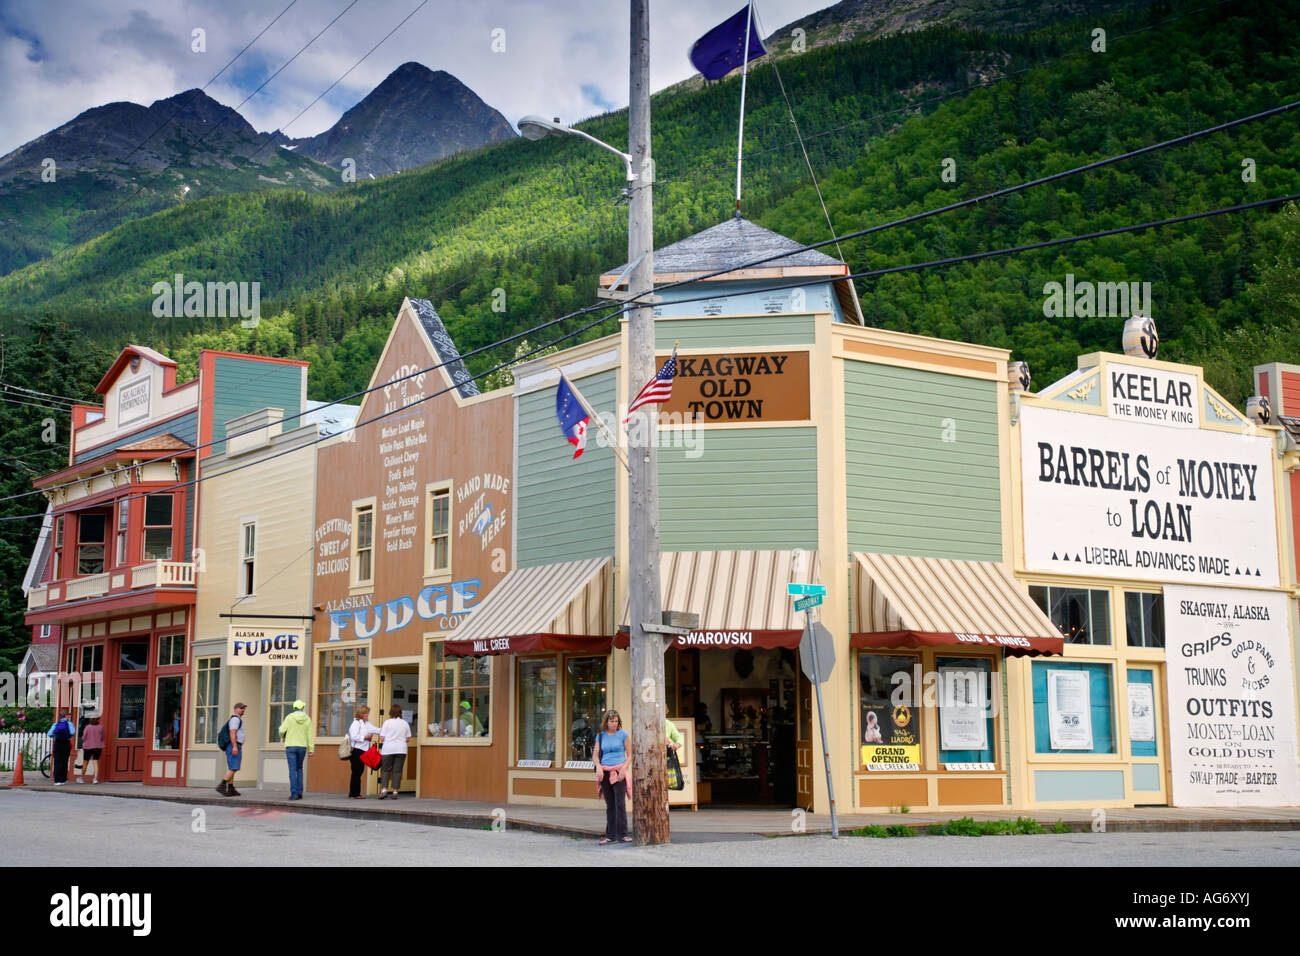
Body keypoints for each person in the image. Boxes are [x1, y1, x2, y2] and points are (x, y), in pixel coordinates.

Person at [592, 709, 632, 845]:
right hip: (605, 772)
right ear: (606, 722)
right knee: (610, 804)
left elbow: (630, 755)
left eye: (616, 721)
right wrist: (598, 766)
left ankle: (623, 834)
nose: (614, 724)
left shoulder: (623, 735)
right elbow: (595, 755)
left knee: (620, 803)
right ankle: (610, 835)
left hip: (619, 771)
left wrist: (624, 769)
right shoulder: (600, 736)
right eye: (611, 721)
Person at [278, 699, 315, 801]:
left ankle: (294, 794)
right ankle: (299, 792)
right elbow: (309, 735)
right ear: (302, 707)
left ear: (294, 708)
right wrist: (311, 749)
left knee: (292, 769)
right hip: (302, 747)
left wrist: (283, 735)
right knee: (299, 768)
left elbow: (281, 730)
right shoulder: (307, 719)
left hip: (290, 746)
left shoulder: (289, 717)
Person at [377, 704, 413, 800]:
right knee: (397, 771)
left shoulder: (387, 722)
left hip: (388, 749)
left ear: (390, 712)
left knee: (385, 770)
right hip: (401, 749)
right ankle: (395, 791)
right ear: (400, 713)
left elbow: (381, 737)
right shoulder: (405, 723)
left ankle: (384, 790)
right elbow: (408, 738)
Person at [347, 705, 380, 799]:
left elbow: (376, 730)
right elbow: (354, 736)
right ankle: (354, 793)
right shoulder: (356, 723)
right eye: (366, 713)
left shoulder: (366, 723)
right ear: (362, 714)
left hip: (363, 750)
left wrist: (386, 730)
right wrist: (365, 737)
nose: (367, 715)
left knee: (359, 771)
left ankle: (355, 793)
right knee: (356, 772)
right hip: (357, 750)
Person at [217, 702, 248, 796]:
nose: (243, 710)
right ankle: (222, 785)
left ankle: (231, 788)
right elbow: (232, 733)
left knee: (232, 767)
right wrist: (234, 746)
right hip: (233, 745)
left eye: (244, 708)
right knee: (234, 767)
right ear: (235, 709)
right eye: (241, 708)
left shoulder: (237, 719)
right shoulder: (235, 719)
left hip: (233, 745)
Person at [48, 710, 75, 785]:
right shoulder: (69, 724)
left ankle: (57, 780)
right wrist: (67, 735)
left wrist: (56, 736)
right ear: (66, 716)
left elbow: (49, 734)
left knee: (57, 761)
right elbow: (73, 732)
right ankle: (63, 779)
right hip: (66, 744)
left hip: (57, 744)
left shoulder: (56, 724)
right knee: (65, 761)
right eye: (68, 715)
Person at [79, 716, 104, 784]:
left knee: (85, 762)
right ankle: (95, 779)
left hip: (88, 747)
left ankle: (82, 778)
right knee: (95, 762)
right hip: (98, 747)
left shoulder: (88, 727)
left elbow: (83, 737)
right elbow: (102, 737)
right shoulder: (101, 727)